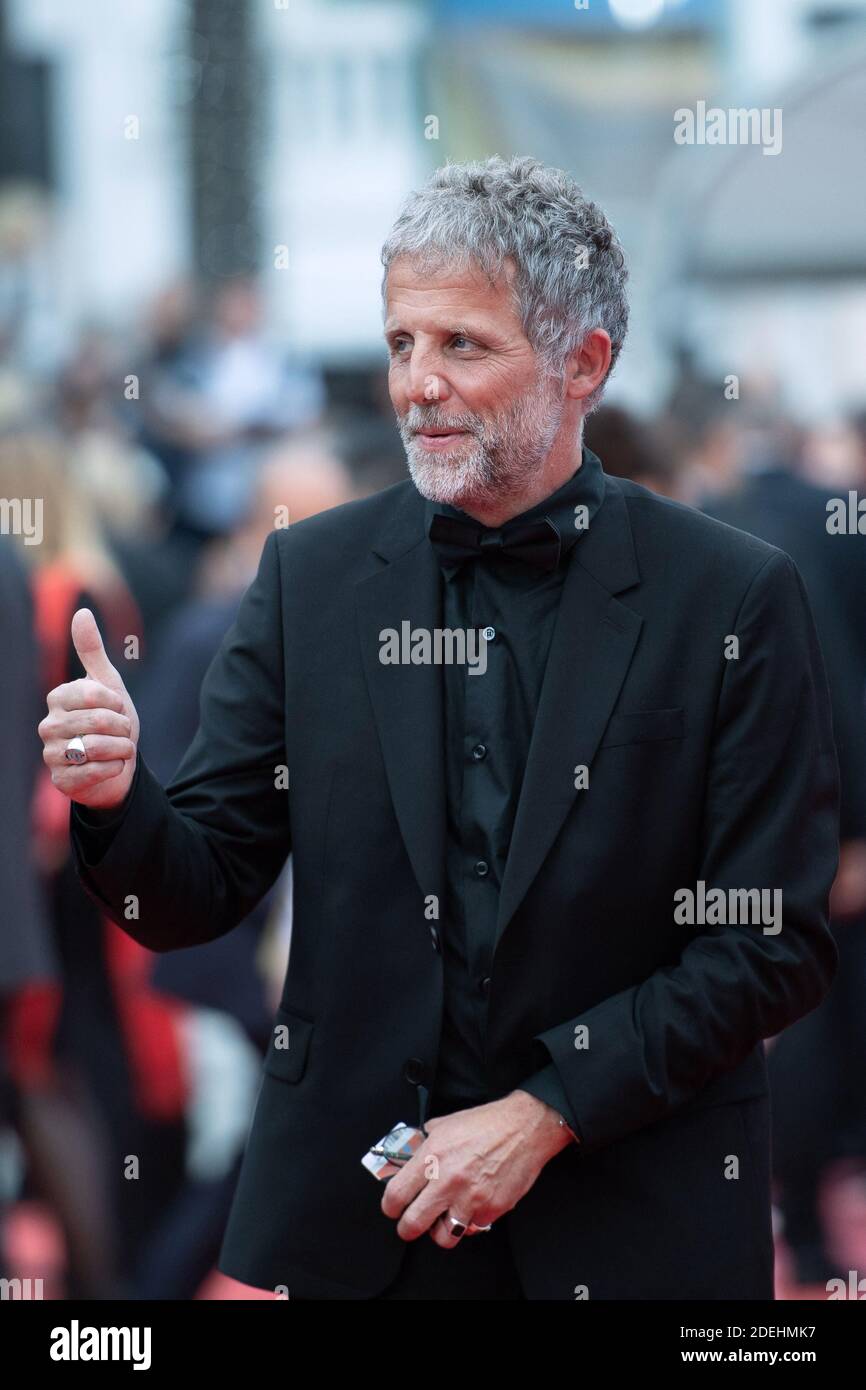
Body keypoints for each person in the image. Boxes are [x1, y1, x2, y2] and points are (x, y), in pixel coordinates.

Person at [39, 155, 839, 1301]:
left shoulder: (727, 595)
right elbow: (198, 889)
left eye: (461, 345)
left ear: (582, 364)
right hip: (369, 1240)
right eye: (400, 343)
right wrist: (119, 798)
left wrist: (545, 1111)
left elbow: (768, 940)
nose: (416, 382)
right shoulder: (309, 578)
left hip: (632, 1229)